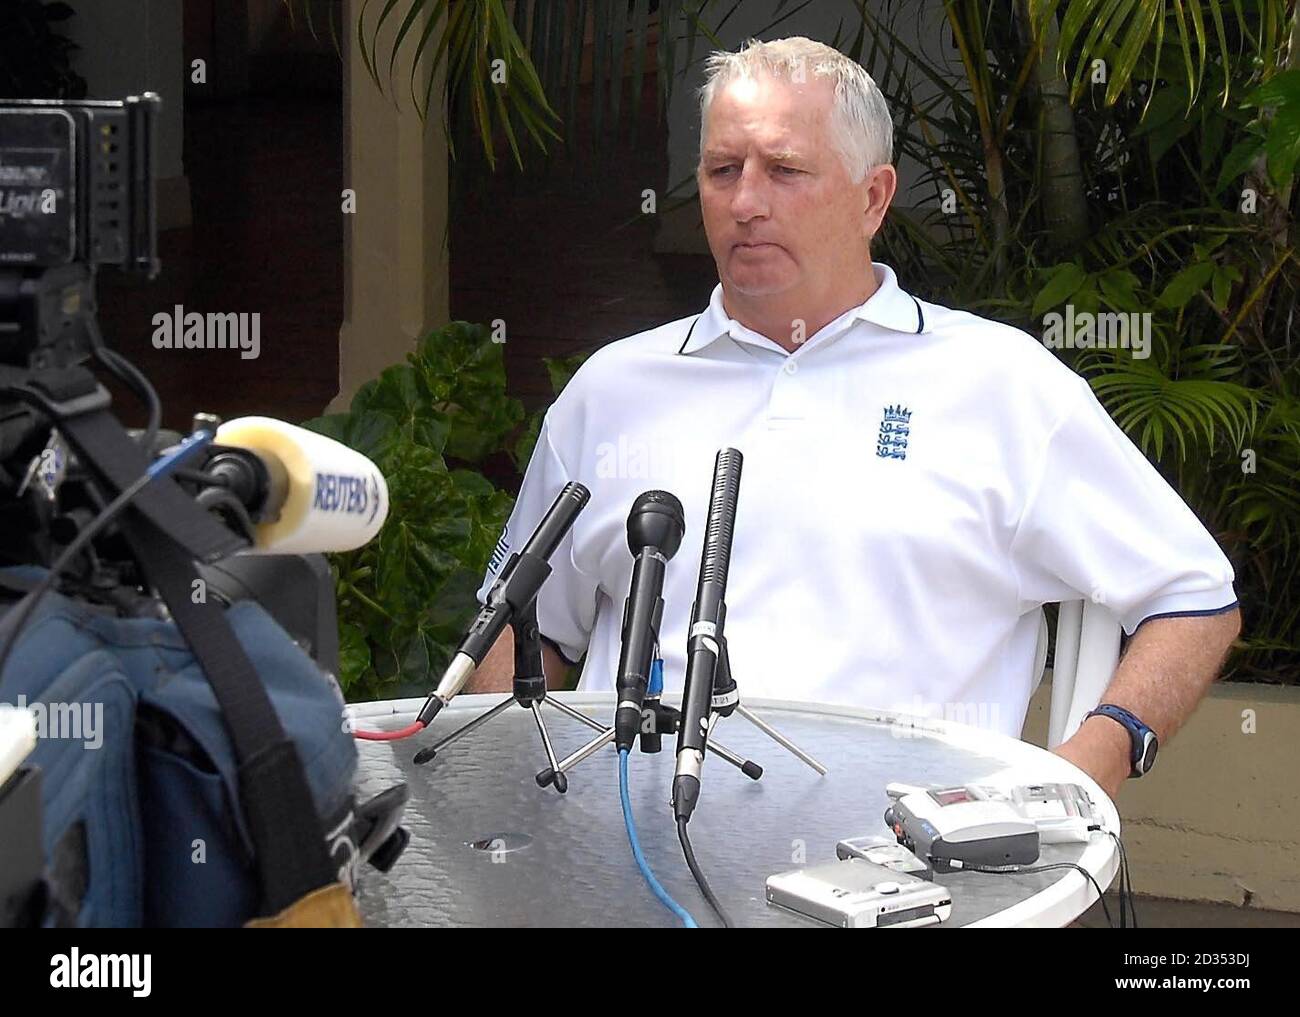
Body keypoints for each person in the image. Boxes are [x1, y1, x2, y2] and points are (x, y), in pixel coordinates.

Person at [466, 37, 1240, 801]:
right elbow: (523, 624)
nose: (745, 202)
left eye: (785, 170)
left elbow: (1193, 597)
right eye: (722, 170)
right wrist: (508, 816)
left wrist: (1080, 771)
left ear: (873, 198)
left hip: (905, 887)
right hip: (630, 875)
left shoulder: (999, 386)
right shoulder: (612, 392)